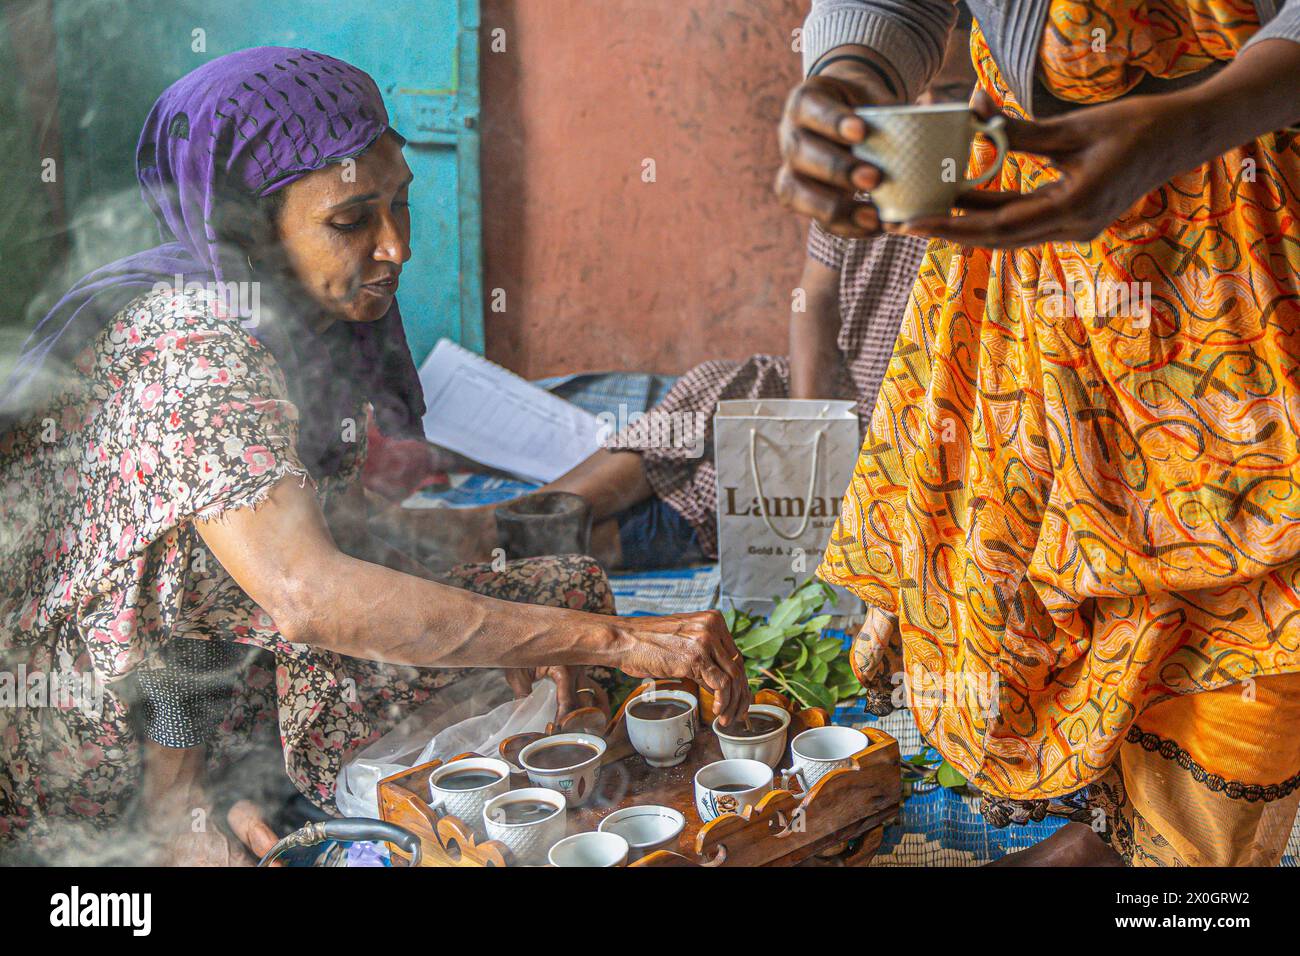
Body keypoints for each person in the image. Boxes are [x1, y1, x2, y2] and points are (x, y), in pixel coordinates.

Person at [0, 47, 749, 865]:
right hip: (100, 724)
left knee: (561, 590)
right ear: (248, 228)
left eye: (400, 205)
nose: (398, 247)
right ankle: (191, 806)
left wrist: (505, 552)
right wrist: (612, 644)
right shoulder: (194, 351)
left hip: (206, 673)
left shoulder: (296, 322)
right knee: (560, 637)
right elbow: (307, 595)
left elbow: (338, 529)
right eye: (352, 220)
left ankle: (235, 789)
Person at [777, 0, 1300, 865]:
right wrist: (850, 75)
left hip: (1256, 229)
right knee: (1051, 558)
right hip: (1040, 243)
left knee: (1259, 608)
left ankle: (1186, 877)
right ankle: (1113, 841)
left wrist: (1199, 120)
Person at [417, 16, 977, 574]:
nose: (921, 113)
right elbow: (815, 302)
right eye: (906, 98)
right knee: (724, 388)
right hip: (842, 390)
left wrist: (812, 454)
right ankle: (520, 518)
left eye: (948, 96)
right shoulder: (855, 177)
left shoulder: (992, 199)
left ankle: (567, 543)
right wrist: (808, 427)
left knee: (750, 470)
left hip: (916, 417)